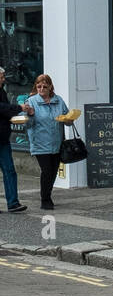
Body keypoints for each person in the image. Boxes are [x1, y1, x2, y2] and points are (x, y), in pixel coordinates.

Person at [21, 73, 68, 211]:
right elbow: (27, 125)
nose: (41, 89)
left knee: (53, 172)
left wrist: (68, 120)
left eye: (44, 86)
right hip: (40, 143)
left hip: (57, 142)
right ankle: (45, 199)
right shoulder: (31, 101)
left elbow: (67, 118)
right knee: (46, 171)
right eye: (38, 86)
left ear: (50, 87)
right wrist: (29, 114)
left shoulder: (58, 100)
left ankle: (48, 194)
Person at [0, 67, 27, 213]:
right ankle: (13, 202)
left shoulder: (2, 91)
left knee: (9, 170)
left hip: (3, 138)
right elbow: (2, 108)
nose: (4, 79)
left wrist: (13, 117)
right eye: (1, 77)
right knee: (9, 170)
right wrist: (18, 107)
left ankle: (13, 203)